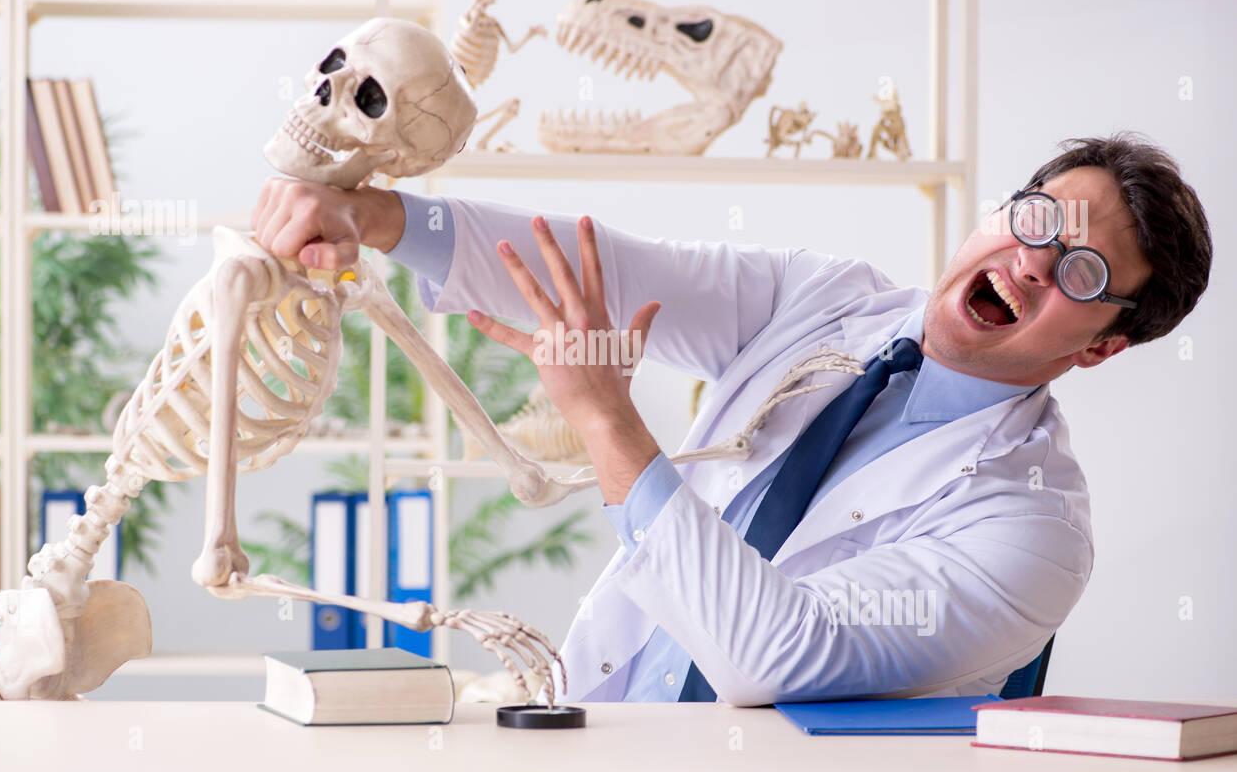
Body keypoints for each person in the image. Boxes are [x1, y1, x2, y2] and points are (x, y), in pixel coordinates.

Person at [251, 133, 1211, 705]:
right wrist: (372, 217)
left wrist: (605, 419)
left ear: (1101, 346)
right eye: (1039, 218)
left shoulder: (1034, 526)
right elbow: (612, 273)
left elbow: (776, 656)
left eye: (1083, 272)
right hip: (593, 722)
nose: (1038, 262)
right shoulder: (827, 300)